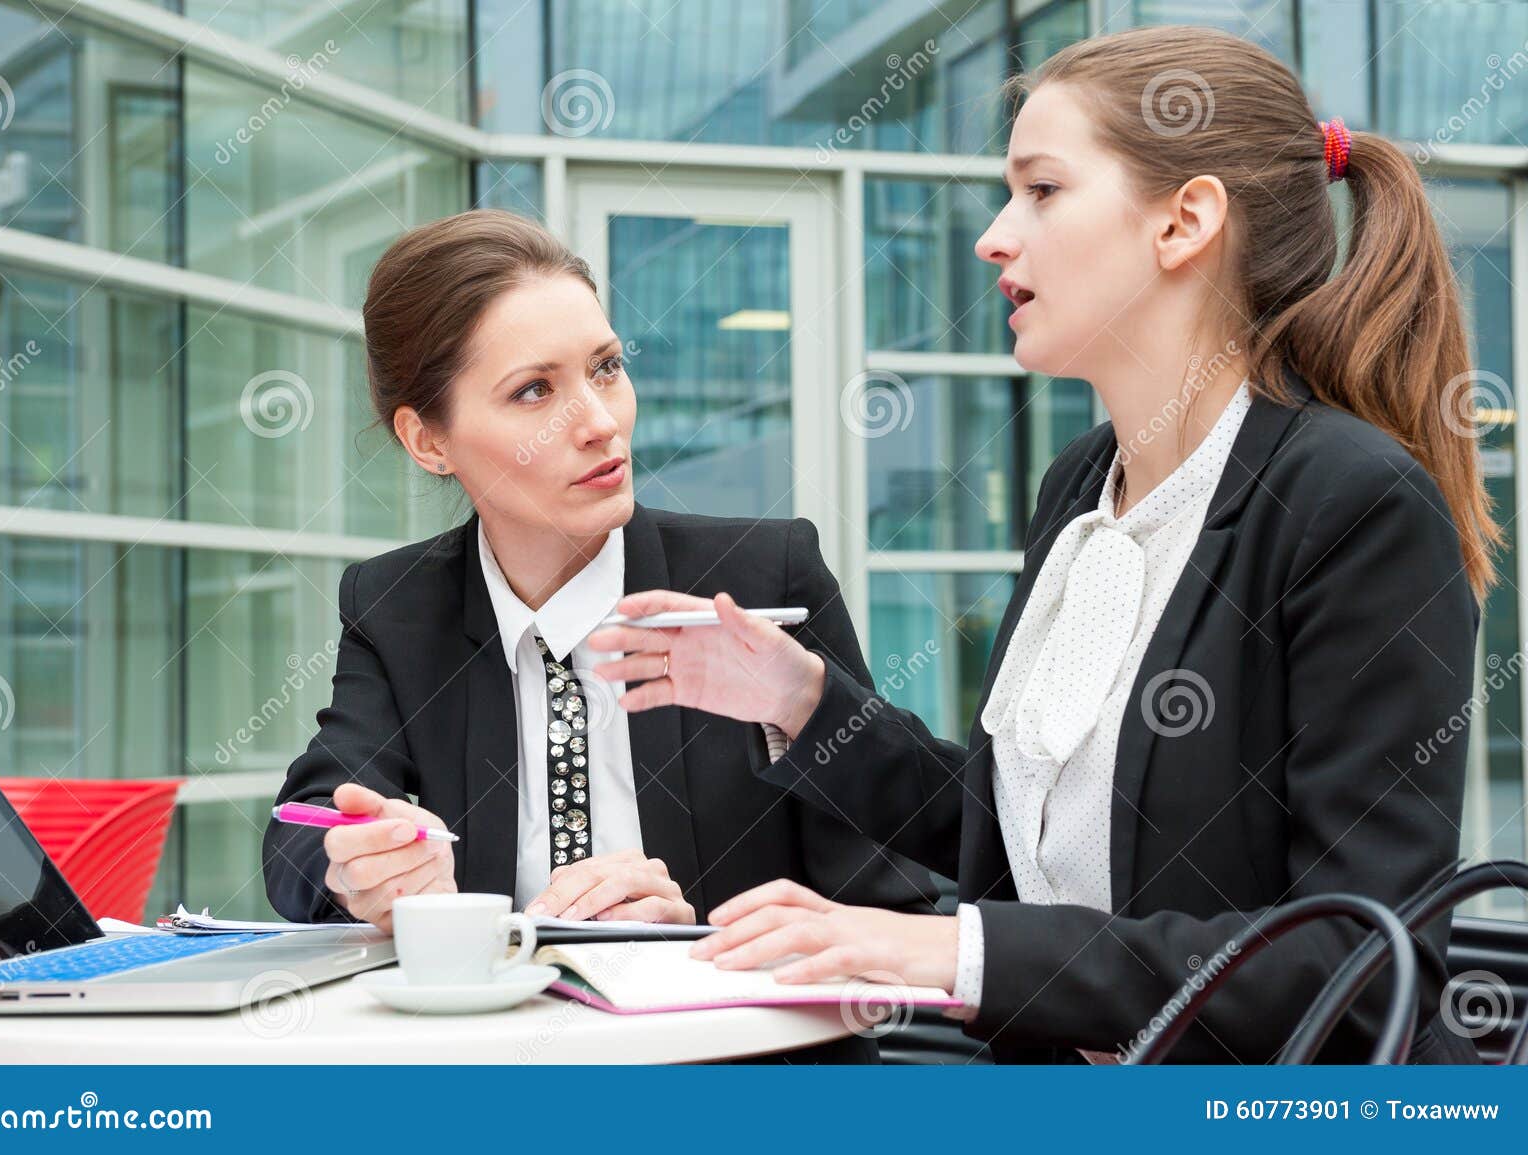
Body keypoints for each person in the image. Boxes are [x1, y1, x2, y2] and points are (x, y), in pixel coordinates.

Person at [588, 25, 1494, 1063]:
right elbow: (1009, 835)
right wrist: (797, 697)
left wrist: (942, 951)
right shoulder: (1080, 489)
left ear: (1183, 220)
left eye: (1042, 190)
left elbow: (1354, 960)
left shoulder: (1350, 503)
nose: (994, 237)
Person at [260, 209, 934, 954]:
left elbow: (890, 885)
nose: (599, 423)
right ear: (428, 441)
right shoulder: (397, 607)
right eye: (534, 392)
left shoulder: (755, 580)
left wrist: (697, 945)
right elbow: (302, 831)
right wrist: (359, 869)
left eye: (606, 368)